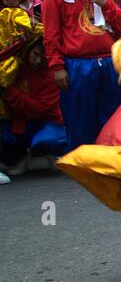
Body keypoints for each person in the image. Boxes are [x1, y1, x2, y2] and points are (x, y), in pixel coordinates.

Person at [41, 0, 121, 149]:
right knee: (80, 117)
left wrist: (106, 5)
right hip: (78, 65)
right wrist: (57, 67)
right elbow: (51, 36)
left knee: (112, 115)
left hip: (108, 63)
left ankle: (112, 160)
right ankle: (81, 163)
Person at [1, 24, 67, 178]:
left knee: (45, 141)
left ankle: (48, 154)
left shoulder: (54, 75)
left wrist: (9, 93)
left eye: (43, 58)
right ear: (29, 51)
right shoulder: (15, 67)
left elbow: (40, 109)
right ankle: (21, 158)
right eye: (35, 54)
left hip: (47, 122)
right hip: (19, 122)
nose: (38, 60)